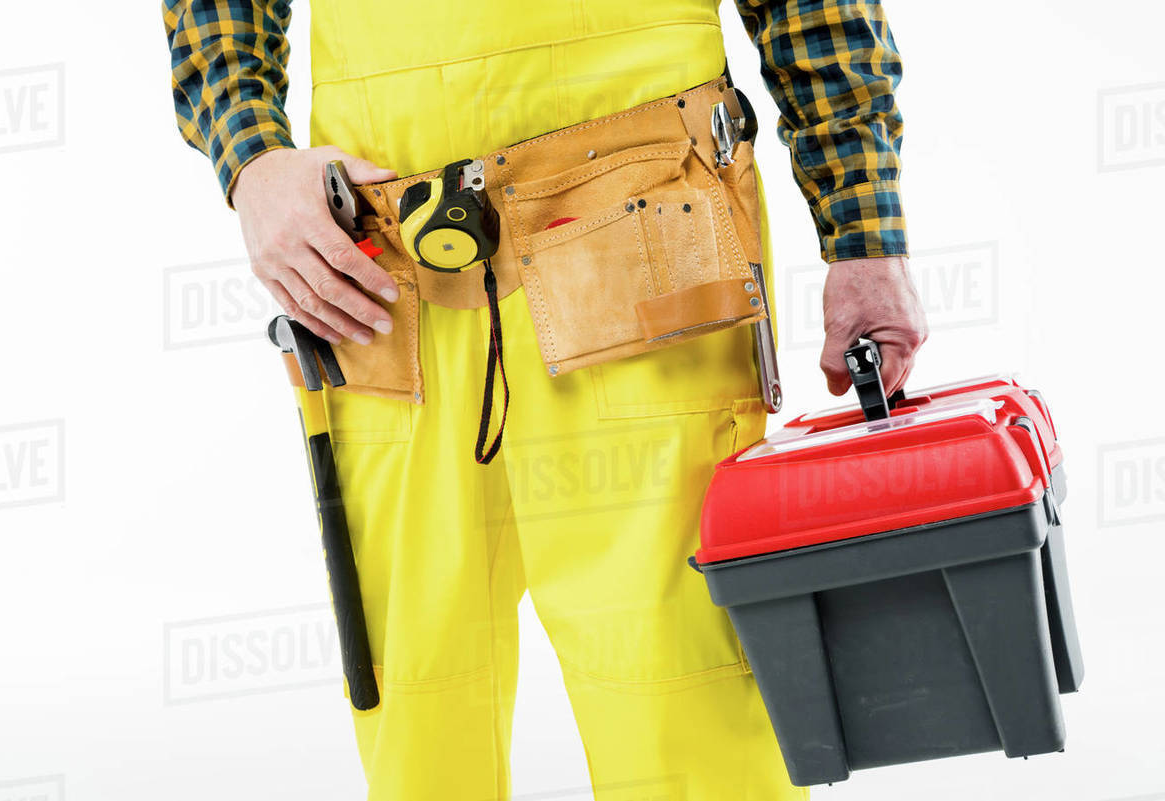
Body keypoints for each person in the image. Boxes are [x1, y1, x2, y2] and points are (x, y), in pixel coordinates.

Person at [163, 1, 927, 799]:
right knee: (421, 725)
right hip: (377, 264)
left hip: (639, 233)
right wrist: (251, 158)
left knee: (687, 709)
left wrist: (865, 230)